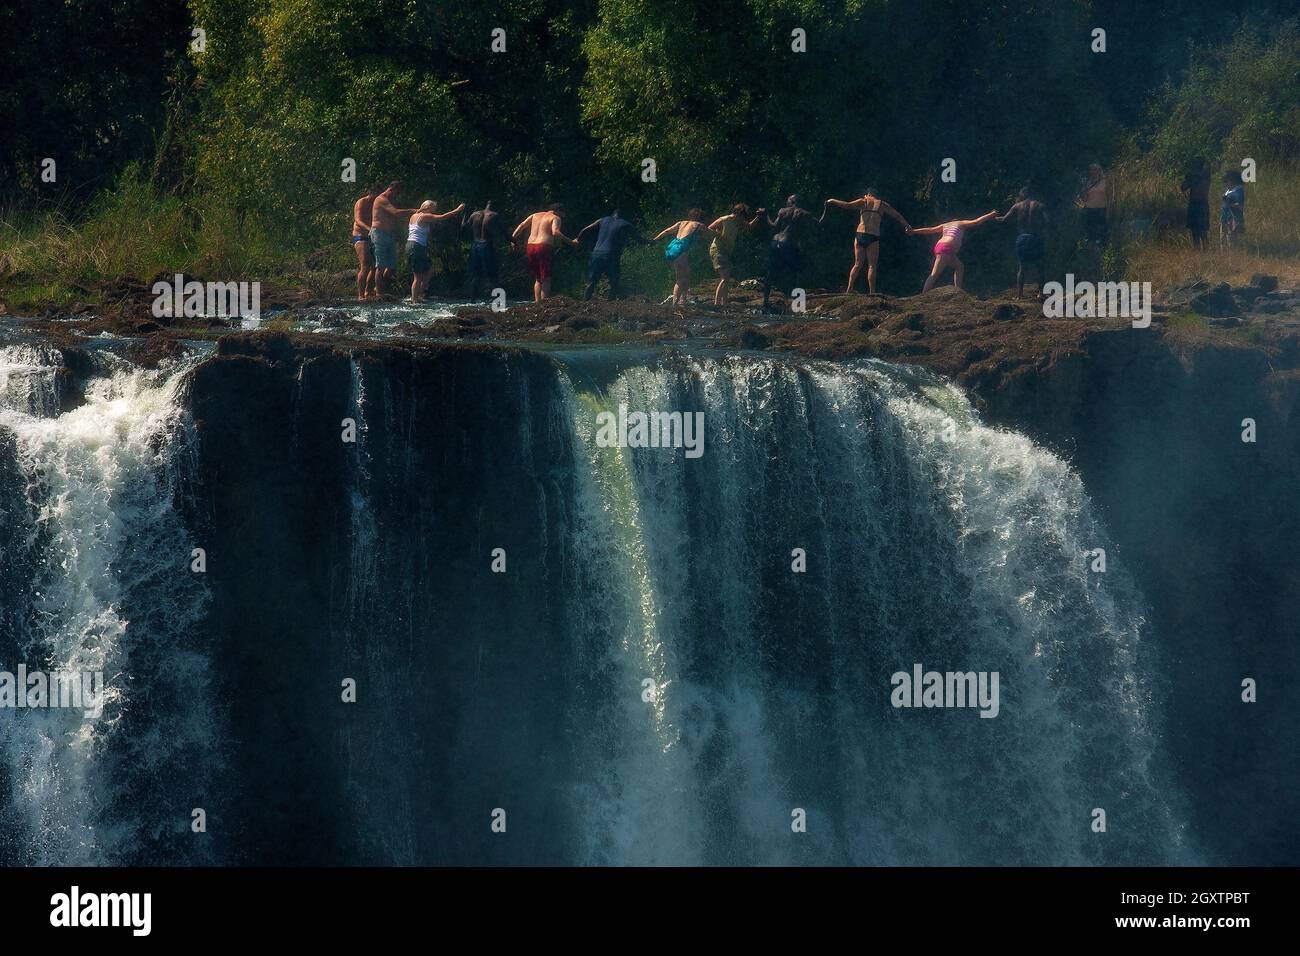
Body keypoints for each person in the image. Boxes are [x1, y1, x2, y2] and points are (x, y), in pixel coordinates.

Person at [823, 188, 910, 294]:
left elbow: (847, 205)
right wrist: (907, 225)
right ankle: (872, 292)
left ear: (868, 194)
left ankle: (849, 289)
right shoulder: (882, 205)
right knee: (872, 265)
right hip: (873, 236)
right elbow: (897, 215)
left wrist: (832, 200)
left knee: (857, 264)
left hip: (860, 234)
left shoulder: (863, 202)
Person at [909, 211, 998, 292]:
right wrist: (991, 214)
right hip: (946, 247)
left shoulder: (945, 224)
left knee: (959, 266)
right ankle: (924, 294)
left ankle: (957, 291)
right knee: (935, 273)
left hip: (942, 247)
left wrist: (914, 231)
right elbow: (976, 222)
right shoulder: (960, 223)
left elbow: (930, 230)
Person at [763, 195, 822, 312]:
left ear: (791, 202)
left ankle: (765, 301)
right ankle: (796, 305)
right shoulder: (804, 214)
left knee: (770, 273)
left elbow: (774, 225)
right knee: (798, 271)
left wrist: (766, 215)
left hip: (775, 242)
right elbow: (819, 223)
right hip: (789, 244)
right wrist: (826, 210)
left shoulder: (782, 211)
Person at [511, 204, 578, 302]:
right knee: (546, 278)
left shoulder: (534, 215)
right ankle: (543, 304)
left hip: (530, 246)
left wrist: (513, 239)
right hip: (543, 246)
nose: (563, 216)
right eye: (563, 213)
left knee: (538, 278)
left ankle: (537, 303)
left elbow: (522, 225)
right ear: (558, 211)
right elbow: (555, 232)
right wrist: (571, 242)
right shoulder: (555, 218)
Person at [576, 209, 647, 300]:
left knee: (592, 282)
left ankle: (584, 302)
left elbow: (585, 230)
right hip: (611, 255)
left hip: (597, 253)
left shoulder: (602, 220)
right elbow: (639, 239)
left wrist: (578, 239)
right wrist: (650, 242)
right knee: (614, 282)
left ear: (613, 215)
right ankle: (610, 306)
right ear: (623, 216)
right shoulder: (625, 224)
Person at [653, 209, 717, 307]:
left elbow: (667, 231)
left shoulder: (681, 223)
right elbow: (711, 233)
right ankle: (675, 304)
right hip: (680, 250)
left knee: (687, 274)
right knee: (680, 278)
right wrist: (721, 235)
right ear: (700, 218)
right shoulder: (699, 225)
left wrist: (655, 240)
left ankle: (683, 299)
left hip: (672, 247)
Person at [407, 199, 466, 303]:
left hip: (415, 246)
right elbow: (442, 217)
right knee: (418, 276)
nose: (433, 211)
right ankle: (414, 301)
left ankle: (419, 294)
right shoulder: (424, 216)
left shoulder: (414, 216)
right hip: (416, 246)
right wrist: (457, 210)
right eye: (433, 209)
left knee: (430, 271)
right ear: (428, 207)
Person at [370, 182, 423, 296]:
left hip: (389, 235)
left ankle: (379, 288)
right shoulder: (381, 199)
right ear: (392, 188)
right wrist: (414, 211)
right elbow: (396, 212)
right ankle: (379, 294)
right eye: (397, 192)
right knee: (381, 265)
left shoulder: (389, 201)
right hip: (379, 234)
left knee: (392, 267)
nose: (397, 195)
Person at [996, 188, 1050, 298]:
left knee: (1022, 267)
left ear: (1022, 195)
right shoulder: (1040, 205)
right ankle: (1041, 293)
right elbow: (1047, 221)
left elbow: (1004, 220)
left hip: (1022, 238)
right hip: (1036, 237)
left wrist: (992, 217)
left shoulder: (1017, 206)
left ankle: (1019, 295)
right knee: (1040, 266)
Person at [706, 204, 764, 305]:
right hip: (718, 249)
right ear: (737, 214)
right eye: (742, 217)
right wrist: (718, 234)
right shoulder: (725, 219)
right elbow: (708, 228)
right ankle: (717, 304)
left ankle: (724, 303)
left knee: (726, 278)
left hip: (726, 251)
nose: (743, 219)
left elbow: (749, 226)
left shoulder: (738, 222)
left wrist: (758, 217)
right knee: (725, 277)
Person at [464, 202, 504, 299]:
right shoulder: (494, 215)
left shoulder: (475, 214)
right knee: (492, 274)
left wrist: (464, 215)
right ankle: (496, 300)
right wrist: (514, 241)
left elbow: (463, 227)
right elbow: (503, 231)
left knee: (476, 274)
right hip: (487, 246)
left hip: (475, 246)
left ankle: (472, 300)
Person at [351, 184, 381, 301]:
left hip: (371, 237)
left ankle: (368, 291)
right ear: (371, 193)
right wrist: (369, 229)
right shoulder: (361, 202)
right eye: (376, 194)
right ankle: (360, 295)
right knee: (364, 266)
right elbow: (358, 220)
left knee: (374, 266)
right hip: (360, 236)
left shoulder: (376, 204)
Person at [1181, 158, 1212, 250]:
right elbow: (1183, 187)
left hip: (1201, 204)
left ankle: (1205, 251)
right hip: (1195, 204)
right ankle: (1198, 252)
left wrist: (1192, 178)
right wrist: (1190, 179)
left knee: (1202, 231)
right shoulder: (1194, 176)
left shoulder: (1205, 175)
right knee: (1195, 231)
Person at [1080, 163, 1109, 248]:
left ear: (1099, 171)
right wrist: (1083, 189)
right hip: (1090, 210)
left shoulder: (1105, 182)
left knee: (1102, 231)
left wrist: (1109, 211)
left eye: (1095, 169)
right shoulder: (1087, 183)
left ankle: (1102, 249)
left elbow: (1110, 197)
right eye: (1091, 169)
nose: (1093, 171)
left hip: (1102, 209)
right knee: (1091, 233)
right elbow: (1085, 199)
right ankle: (1092, 250)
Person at [1220, 169, 1246, 248]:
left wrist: (1229, 203)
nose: (1224, 183)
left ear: (1232, 180)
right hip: (1225, 218)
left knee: (1231, 241)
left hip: (1232, 219)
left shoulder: (1238, 190)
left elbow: (1240, 206)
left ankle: (1232, 257)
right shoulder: (1229, 190)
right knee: (1223, 241)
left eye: (1225, 180)